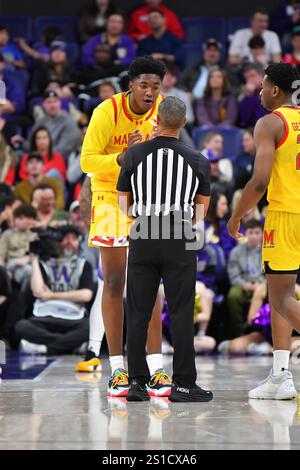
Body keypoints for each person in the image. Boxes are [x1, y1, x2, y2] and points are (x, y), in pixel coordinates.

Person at [80, 56, 167, 396]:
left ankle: (157, 369)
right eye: (144, 85)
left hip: (146, 197)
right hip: (109, 194)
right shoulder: (106, 112)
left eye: (156, 87)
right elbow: (88, 161)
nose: (150, 92)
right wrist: (121, 157)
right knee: (115, 280)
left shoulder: (162, 110)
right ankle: (117, 369)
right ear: (131, 84)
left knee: (151, 282)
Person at [117, 96, 213, 402]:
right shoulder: (198, 159)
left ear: (156, 120)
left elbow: (123, 202)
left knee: (138, 312)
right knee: (182, 311)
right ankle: (183, 384)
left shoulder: (134, 154)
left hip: (143, 233)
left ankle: (136, 383)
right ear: (183, 123)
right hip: (179, 235)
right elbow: (201, 211)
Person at [227, 63, 300, 400]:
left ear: (275, 90)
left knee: (283, 298)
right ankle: (280, 375)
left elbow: (259, 181)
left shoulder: (270, 122)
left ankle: (280, 376)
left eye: (263, 85)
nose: (258, 91)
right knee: (277, 295)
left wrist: (237, 214)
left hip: (287, 214)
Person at [15, 225, 94, 355]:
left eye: (73, 239)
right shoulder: (45, 264)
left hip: (73, 316)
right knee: (21, 326)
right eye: (66, 238)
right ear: (57, 241)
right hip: (45, 315)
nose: (69, 242)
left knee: (91, 327)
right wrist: (34, 259)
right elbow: (38, 291)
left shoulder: (84, 264)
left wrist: (51, 295)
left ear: (79, 243)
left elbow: (86, 295)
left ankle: (46, 348)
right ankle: (70, 345)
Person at [227, 219, 266, 338]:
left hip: (263, 285)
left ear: (262, 234)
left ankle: (263, 332)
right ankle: (240, 333)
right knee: (233, 296)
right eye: (251, 232)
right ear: (245, 234)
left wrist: (260, 285)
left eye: (257, 232)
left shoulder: (267, 251)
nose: (254, 236)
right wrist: (245, 285)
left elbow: (270, 274)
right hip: (243, 284)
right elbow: (233, 275)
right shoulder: (236, 252)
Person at [31, 91, 81, 159]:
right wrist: (21, 142)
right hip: (42, 158)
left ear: (60, 103)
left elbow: (64, 150)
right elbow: (31, 142)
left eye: (55, 101)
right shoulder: (41, 121)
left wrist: (41, 156)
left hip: (65, 159)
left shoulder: (69, 121)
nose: (52, 105)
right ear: (43, 105)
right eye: (48, 102)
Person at [0, 204, 37, 290]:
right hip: (11, 264)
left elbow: (38, 253)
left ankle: (25, 297)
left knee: (32, 271)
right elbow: (1, 255)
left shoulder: (34, 235)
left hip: (28, 262)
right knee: (29, 271)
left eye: (29, 218)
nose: (20, 221)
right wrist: (3, 272)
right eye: (19, 218)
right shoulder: (7, 234)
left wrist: (28, 258)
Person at [238, 64, 269, 128]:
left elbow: (263, 119)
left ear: (262, 76)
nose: (249, 80)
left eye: (252, 76)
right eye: (247, 78)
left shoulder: (272, 92)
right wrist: (249, 96)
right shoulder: (246, 96)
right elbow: (244, 121)